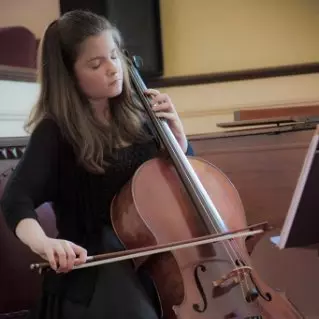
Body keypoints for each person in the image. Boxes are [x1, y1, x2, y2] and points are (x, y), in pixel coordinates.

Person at [0, 9, 194, 319]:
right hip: (94, 271)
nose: (113, 69)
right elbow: (15, 199)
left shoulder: (144, 119)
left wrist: (179, 140)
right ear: (68, 74)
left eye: (115, 56)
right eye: (96, 63)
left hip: (159, 258)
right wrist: (46, 243)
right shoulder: (55, 133)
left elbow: (184, 185)